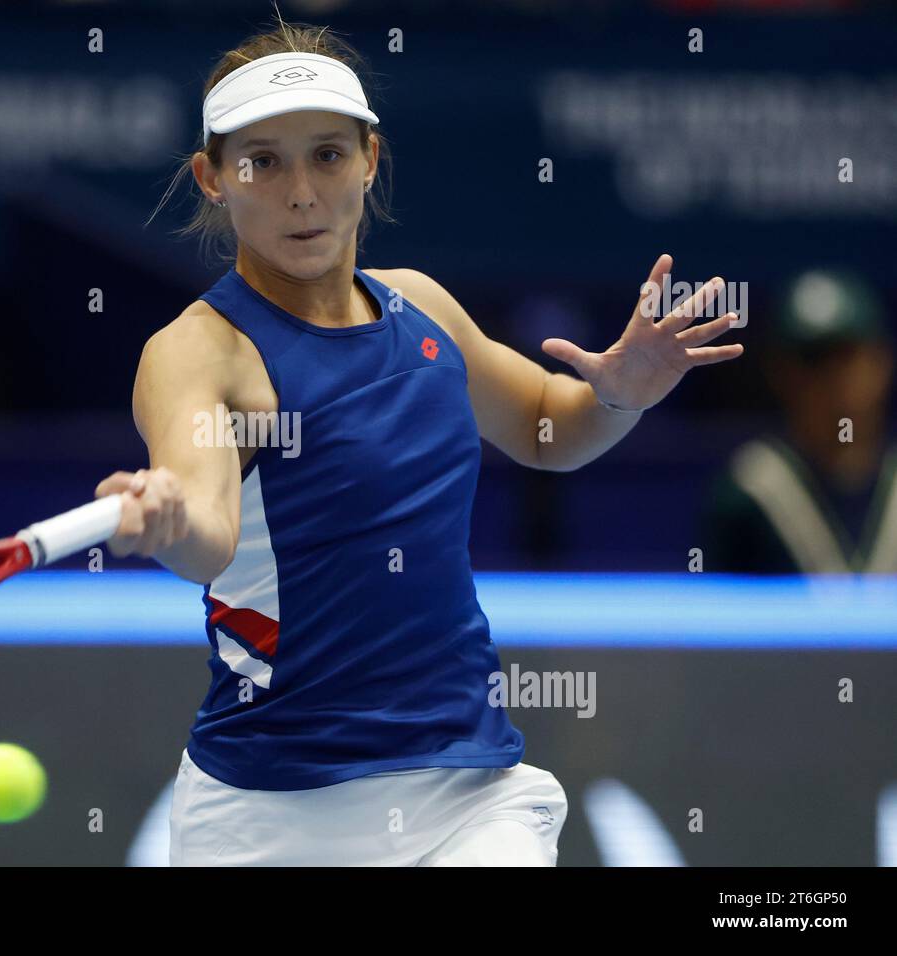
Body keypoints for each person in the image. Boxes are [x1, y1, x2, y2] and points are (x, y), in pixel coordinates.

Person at [102, 18, 742, 866]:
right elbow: (209, 532)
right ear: (212, 177)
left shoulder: (423, 310)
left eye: (327, 155)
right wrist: (166, 520)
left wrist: (617, 397)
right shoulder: (197, 352)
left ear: (370, 158)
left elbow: (549, 428)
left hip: (468, 794)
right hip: (267, 812)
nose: (301, 192)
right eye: (262, 161)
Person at [701, 269, 896, 573]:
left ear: (881, 362)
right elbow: (721, 613)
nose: (833, 380)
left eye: (846, 357)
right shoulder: (747, 493)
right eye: (814, 361)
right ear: (782, 373)